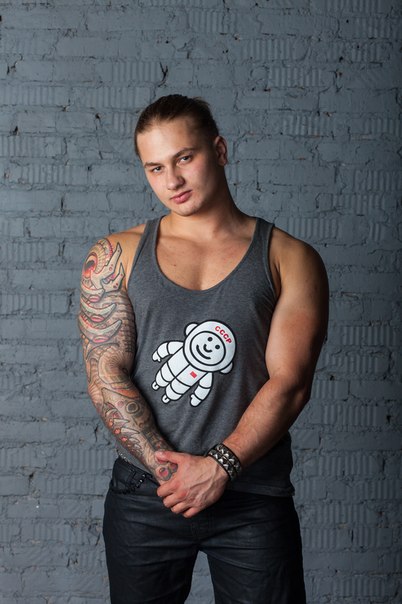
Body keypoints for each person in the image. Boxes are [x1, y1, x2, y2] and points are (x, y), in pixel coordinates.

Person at [78, 94, 329, 604]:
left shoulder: (289, 258)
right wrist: (170, 472)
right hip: (146, 495)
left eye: (184, 158)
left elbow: (291, 383)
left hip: (251, 497)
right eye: (155, 168)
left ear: (219, 150)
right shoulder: (115, 255)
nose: (172, 180)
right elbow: (106, 373)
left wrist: (218, 468)